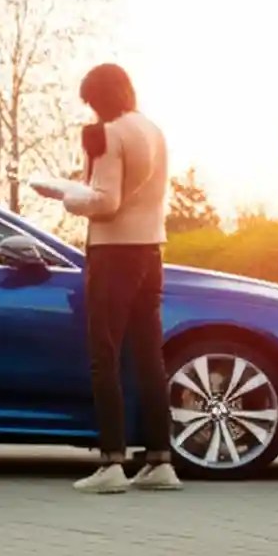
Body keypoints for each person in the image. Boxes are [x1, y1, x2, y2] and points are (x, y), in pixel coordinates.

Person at [31, 63, 181, 493]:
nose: (92, 111)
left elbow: (106, 202)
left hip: (114, 253)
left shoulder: (108, 134)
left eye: (92, 102)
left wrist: (63, 194)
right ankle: (160, 461)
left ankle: (112, 462)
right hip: (151, 251)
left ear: (100, 98)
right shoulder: (153, 130)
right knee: (149, 358)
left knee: (105, 355)